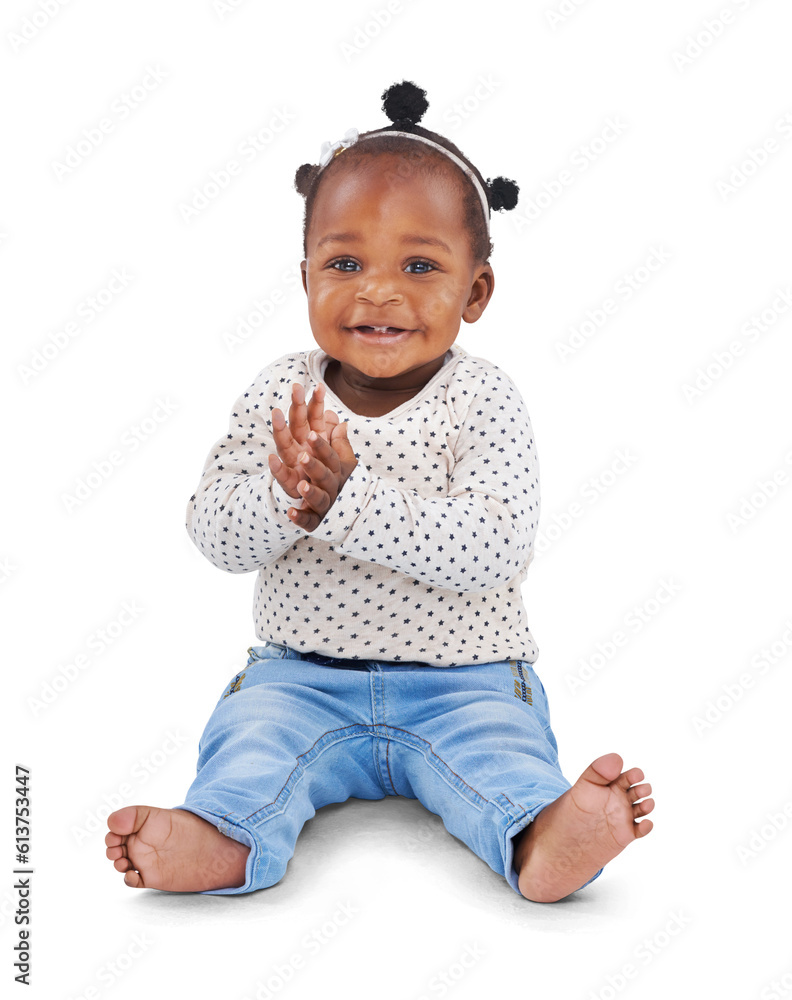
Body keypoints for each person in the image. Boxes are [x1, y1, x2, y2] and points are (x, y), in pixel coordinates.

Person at [105, 80, 654, 902]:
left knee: (502, 753)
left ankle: (540, 836)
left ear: (475, 291)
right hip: (300, 678)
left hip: (465, 681)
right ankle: (225, 836)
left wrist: (347, 502)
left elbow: (494, 546)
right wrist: (284, 496)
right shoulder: (281, 392)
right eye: (345, 263)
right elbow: (213, 533)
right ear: (305, 277)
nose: (377, 291)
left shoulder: (482, 398)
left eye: (420, 266)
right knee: (249, 742)